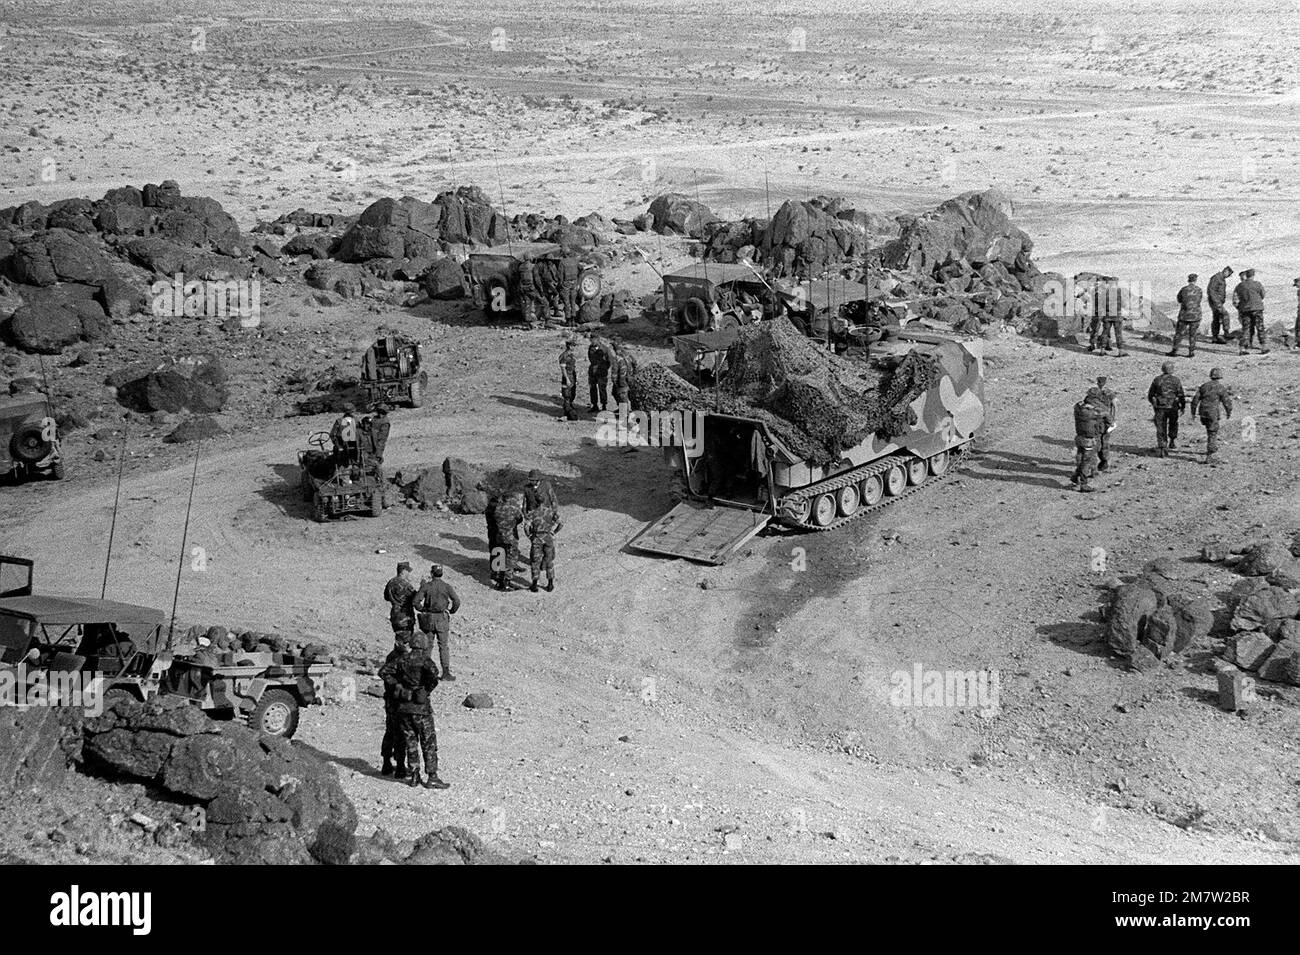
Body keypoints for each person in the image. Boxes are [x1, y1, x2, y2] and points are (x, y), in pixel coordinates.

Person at [379, 632, 448, 790]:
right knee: (428, 742)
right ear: (423, 645)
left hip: (404, 708)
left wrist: (398, 686)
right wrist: (426, 689)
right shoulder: (425, 660)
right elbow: (435, 675)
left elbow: (383, 672)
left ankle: (414, 774)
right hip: (421, 709)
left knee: (410, 742)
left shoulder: (401, 659)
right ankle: (432, 776)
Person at [413, 564, 460, 682]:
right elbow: (457, 601)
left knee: (428, 645)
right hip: (442, 618)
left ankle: (425, 672)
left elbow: (416, 601)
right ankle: (445, 672)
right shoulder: (446, 587)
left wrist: (423, 609)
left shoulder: (426, 586)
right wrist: (451, 611)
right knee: (443, 646)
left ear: (431, 573)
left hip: (429, 618)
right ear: (441, 574)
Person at [380, 630, 410, 779]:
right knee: (398, 733)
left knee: (391, 732)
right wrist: (397, 684)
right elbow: (384, 673)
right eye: (405, 643)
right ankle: (398, 766)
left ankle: (388, 763)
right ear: (398, 642)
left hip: (394, 700)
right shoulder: (395, 657)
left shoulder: (395, 656)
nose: (407, 646)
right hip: (395, 701)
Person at [1071, 387, 1112, 492]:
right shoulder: (1093, 412)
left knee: (1080, 457)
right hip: (1088, 439)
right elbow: (1106, 415)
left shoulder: (1078, 407)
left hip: (1079, 437)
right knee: (1086, 461)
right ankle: (1083, 484)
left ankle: (1076, 476)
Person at [1190, 367, 1233, 466]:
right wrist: (1228, 412)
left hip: (1203, 412)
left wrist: (1193, 412)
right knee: (1212, 432)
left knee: (1209, 430)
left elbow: (1195, 400)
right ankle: (1210, 455)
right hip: (1212, 413)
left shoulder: (1204, 386)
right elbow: (1227, 401)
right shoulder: (1220, 387)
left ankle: (1211, 448)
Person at [1147, 361, 1186, 458]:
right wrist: (1183, 405)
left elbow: (1150, 394)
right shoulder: (1176, 380)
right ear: (1172, 370)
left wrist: (1154, 404)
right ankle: (1172, 440)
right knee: (1173, 423)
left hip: (1160, 407)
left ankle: (1162, 447)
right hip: (1173, 407)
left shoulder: (1157, 380)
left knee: (1160, 427)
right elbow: (1180, 394)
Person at [524, 502, 562, 592]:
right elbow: (561, 524)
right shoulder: (551, 512)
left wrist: (529, 536)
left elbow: (526, 527)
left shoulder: (532, 513)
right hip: (548, 538)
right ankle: (550, 584)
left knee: (535, 561)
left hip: (537, 538)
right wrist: (554, 532)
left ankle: (534, 584)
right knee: (549, 560)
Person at [491, 492, 524, 590]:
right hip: (510, 537)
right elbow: (520, 519)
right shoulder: (513, 509)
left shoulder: (497, 508)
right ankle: (506, 582)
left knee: (501, 557)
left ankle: (499, 580)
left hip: (499, 536)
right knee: (511, 558)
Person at [1234, 268, 1268, 354]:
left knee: (1246, 329)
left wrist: (1240, 307)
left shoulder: (1240, 286)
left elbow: (1235, 298)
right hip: (1257, 308)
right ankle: (1263, 347)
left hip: (1245, 309)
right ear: (1253, 275)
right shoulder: (1257, 284)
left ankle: (1242, 348)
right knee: (1260, 328)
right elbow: (1263, 294)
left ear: (1246, 275)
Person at [1169, 273, 1202, 357]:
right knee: (1193, 334)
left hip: (1184, 315)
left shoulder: (1183, 289)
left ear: (1188, 280)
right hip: (1196, 315)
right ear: (1195, 280)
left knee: (1179, 334)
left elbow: (1179, 299)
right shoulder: (1199, 290)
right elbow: (1199, 300)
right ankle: (1191, 352)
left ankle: (1174, 350)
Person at [382, 561, 417, 635]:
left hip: (395, 614)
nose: (408, 573)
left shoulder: (391, 582)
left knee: (398, 639)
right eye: (408, 571)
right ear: (403, 571)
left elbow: (386, 597)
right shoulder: (406, 585)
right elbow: (415, 599)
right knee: (406, 640)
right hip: (405, 616)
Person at [1095, 375, 1118, 471]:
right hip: (1105, 419)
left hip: (1101, 420)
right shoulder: (1109, 392)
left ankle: (1104, 461)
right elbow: (1115, 406)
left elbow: (1115, 406)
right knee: (1103, 441)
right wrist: (1113, 418)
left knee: (1102, 441)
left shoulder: (1095, 392)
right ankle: (1104, 461)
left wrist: (1112, 418)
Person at [1207, 265, 1233, 343]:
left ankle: (1215, 337)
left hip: (1217, 301)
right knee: (1225, 314)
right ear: (1226, 271)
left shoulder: (1221, 278)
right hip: (1215, 302)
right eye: (1229, 274)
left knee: (1216, 318)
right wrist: (1217, 302)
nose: (1228, 276)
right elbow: (1211, 290)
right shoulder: (1217, 278)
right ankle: (1226, 333)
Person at [588, 333, 612, 412]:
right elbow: (590, 358)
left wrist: (604, 368)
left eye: (593, 340)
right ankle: (594, 405)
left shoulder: (605, 349)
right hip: (592, 372)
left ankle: (604, 406)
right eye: (591, 340)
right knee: (592, 389)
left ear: (598, 339)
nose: (591, 341)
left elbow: (609, 361)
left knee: (602, 389)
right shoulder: (590, 348)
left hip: (602, 372)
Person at [558, 340, 578, 421]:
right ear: (570, 346)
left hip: (572, 376)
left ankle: (570, 409)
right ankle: (567, 412)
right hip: (567, 377)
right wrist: (567, 379)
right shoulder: (564, 356)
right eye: (573, 346)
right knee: (567, 395)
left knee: (572, 394)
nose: (574, 347)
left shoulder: (571, 355)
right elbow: (563, 369)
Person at [559, 254, 581, 325]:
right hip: (574, 282)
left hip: (566, 284)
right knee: (573, 302)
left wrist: (560, 284)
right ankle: (573, 319)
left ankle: (568, 320)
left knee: (566, 302)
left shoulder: (562, 262)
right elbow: (582, 269)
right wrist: (578, 280)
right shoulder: (575, 261)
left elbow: (560, 275)